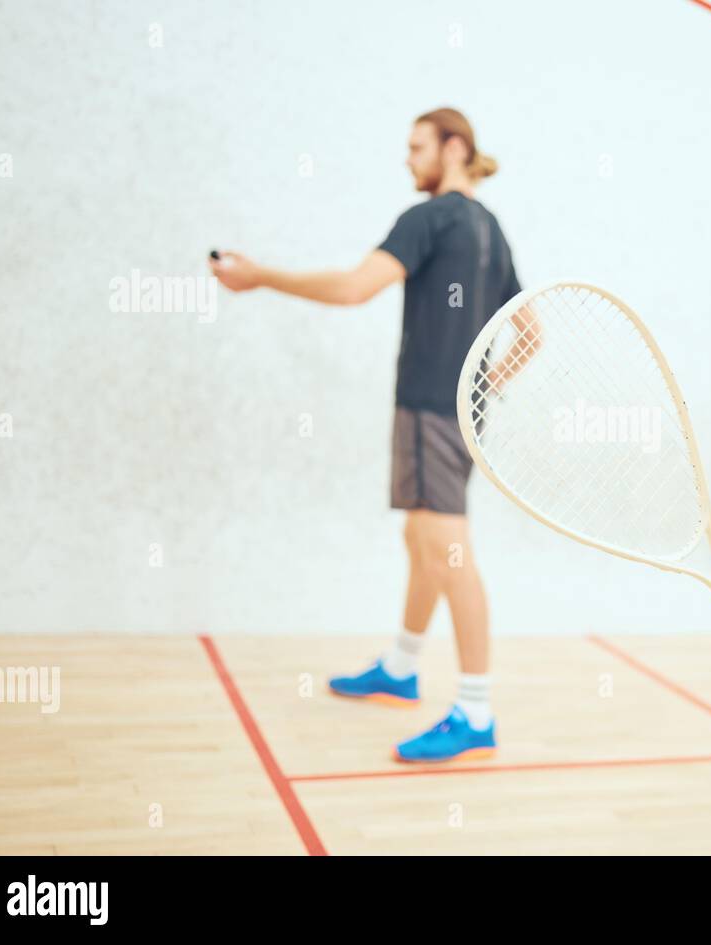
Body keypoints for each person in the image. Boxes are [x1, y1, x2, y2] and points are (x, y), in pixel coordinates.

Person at [211, 107, 521, 763]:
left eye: (416, 147)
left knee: (449, 550)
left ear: (454, 147)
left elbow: (355, 289)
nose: (406, 158)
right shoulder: (491, 228)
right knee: (421, 538)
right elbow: (533, 334)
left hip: (431, 411)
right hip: (456, 412)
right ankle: (402, 667)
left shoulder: (430, 217)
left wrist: (261, 275)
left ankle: (475, 711)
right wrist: (482, 391)